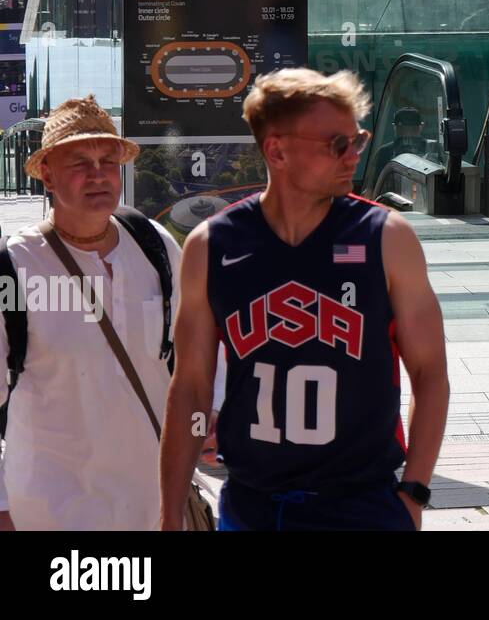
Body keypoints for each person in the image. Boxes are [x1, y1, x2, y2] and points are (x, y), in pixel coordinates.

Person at [159, 68, 450, 531]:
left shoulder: (386, 238)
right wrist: (171, 511)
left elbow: (430, 373)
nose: (353, 155)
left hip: (361, 505)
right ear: (276, 149)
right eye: (337, 144)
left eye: (357, 140)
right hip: (251, 505)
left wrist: (413, 491)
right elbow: (191, 390)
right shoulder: (211, 245)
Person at [0, 96, 197, 530]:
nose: (98, 175)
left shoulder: (155, 245)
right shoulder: (15, 266)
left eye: (108, 161)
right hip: (52, 505)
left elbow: (195, 356)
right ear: (47, 174)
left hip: (152, 502)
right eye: (79, 162)